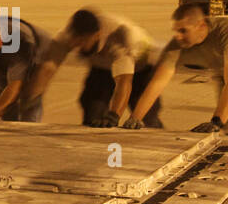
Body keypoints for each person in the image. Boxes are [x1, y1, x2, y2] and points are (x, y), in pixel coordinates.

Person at [123, 3, 228, 136]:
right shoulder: (178, 45)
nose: (178, 36)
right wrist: (136, 118)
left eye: (183, 31)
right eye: (175, 31)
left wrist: (216, 121)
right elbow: (158, 82)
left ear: (202, 26)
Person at [27, 7, 162, 128]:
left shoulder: (121, 37)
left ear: (97, 35)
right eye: (76, 42)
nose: (78, 46)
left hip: (140, 68)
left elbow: (124, 82)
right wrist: (29, 100)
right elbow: (47, 69)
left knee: (144, 119)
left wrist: (114, 115)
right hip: (102, 67)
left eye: (83, 42)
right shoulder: (66, 36)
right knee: (93, 113)